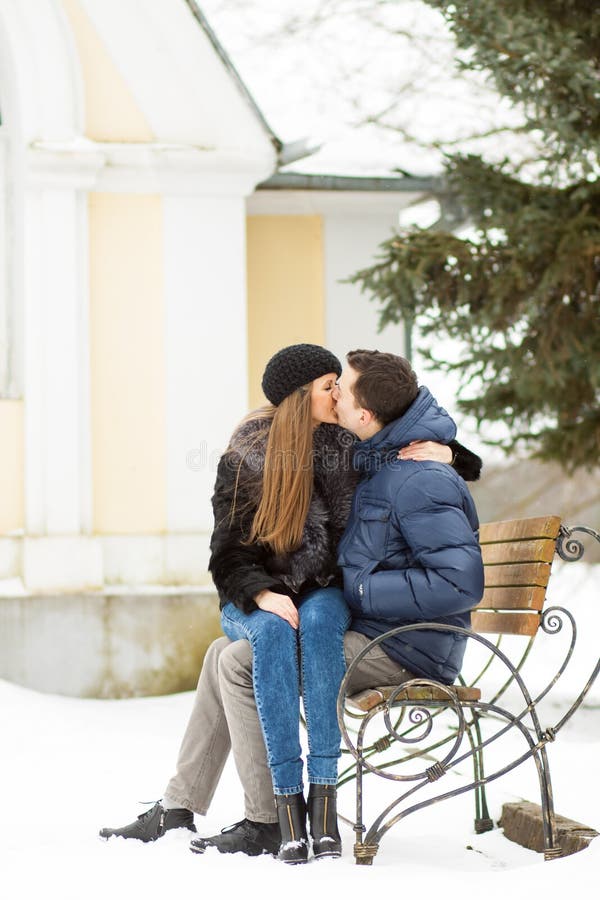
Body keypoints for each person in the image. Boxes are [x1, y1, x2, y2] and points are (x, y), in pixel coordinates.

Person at [99, 345, 481, 862]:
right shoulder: (285, 449)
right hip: (342, 617)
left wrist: (453, 454)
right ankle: (183, 804)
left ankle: (264, 819)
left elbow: (412, 462)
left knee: (233, 663)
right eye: (330, 385)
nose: (338, 392)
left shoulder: (371, 451)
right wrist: (259, 590)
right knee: (224, 656)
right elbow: (229, 547)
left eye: (340, 385)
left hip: (383, 632)